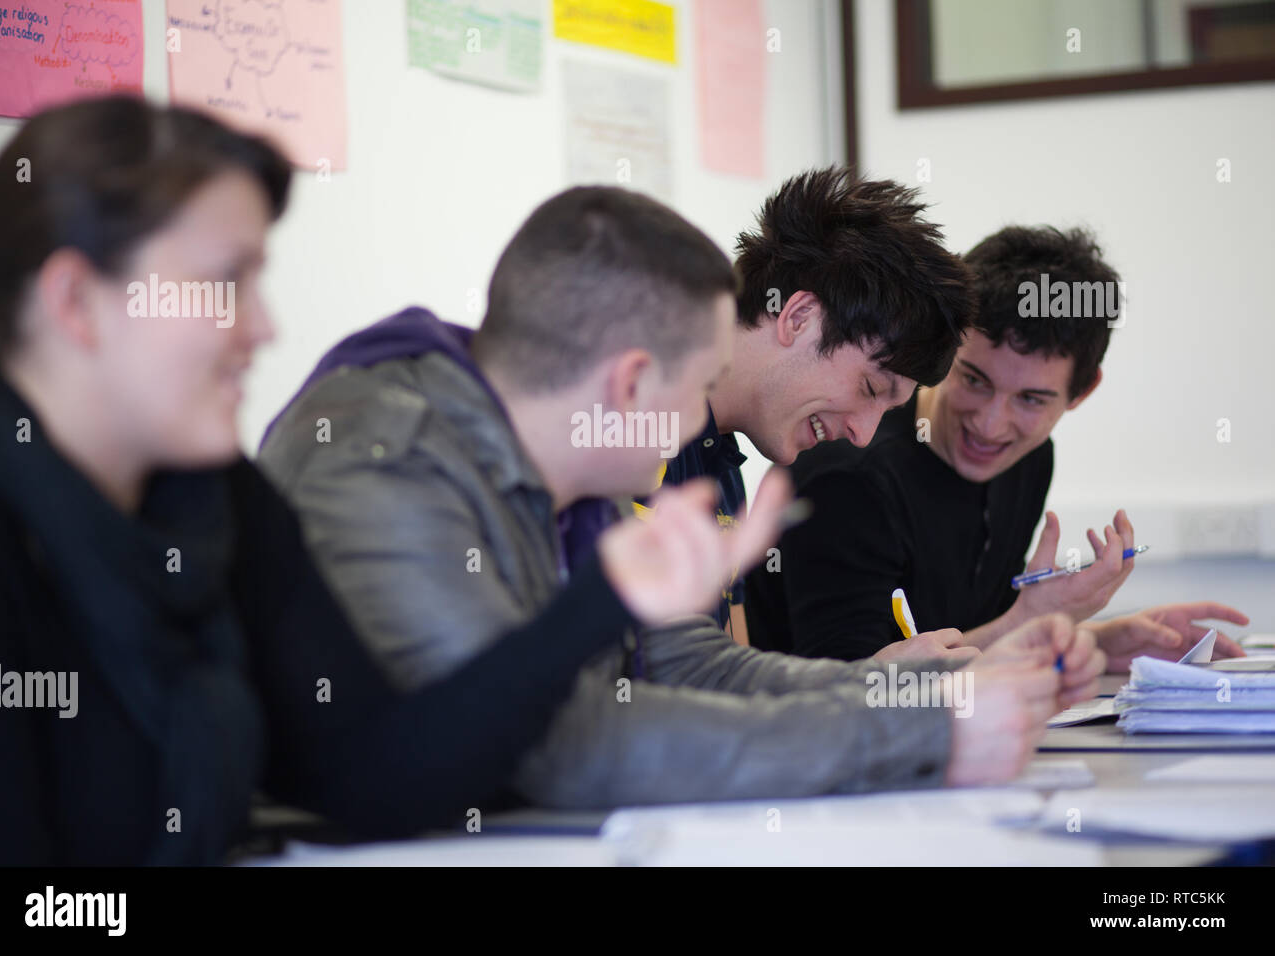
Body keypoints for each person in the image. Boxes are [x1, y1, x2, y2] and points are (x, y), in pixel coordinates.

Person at [0, 97, 769, 865]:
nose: (265, 327)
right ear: (76, 301)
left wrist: (603, 601)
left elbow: (378, 776)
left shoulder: (224, 503)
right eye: (226, 283)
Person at [259, 185, 1105, 811]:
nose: (701, 421)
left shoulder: (575, 477)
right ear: (631, 380)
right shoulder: (391, 456)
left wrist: (929, 697)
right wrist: (927, 731)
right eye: (699, 381)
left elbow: (676, 664)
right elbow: (559, 746)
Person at [743, 225, 1247, 669]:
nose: (990, 424)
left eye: (1030, 399)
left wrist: (1100, 639)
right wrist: (1035, 621)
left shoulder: (1028, 460)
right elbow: (859, 691)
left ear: (1082, 391)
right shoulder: (847, 474)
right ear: (948, 349)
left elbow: (963, 636)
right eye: (974, 379)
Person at [650, 166, 976, 649]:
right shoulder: (636, 431)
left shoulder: (721, 462)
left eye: (887, 412)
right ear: (799, 317)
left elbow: (726, 681)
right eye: (870, 388)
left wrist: (873, 684)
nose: (863, 436)